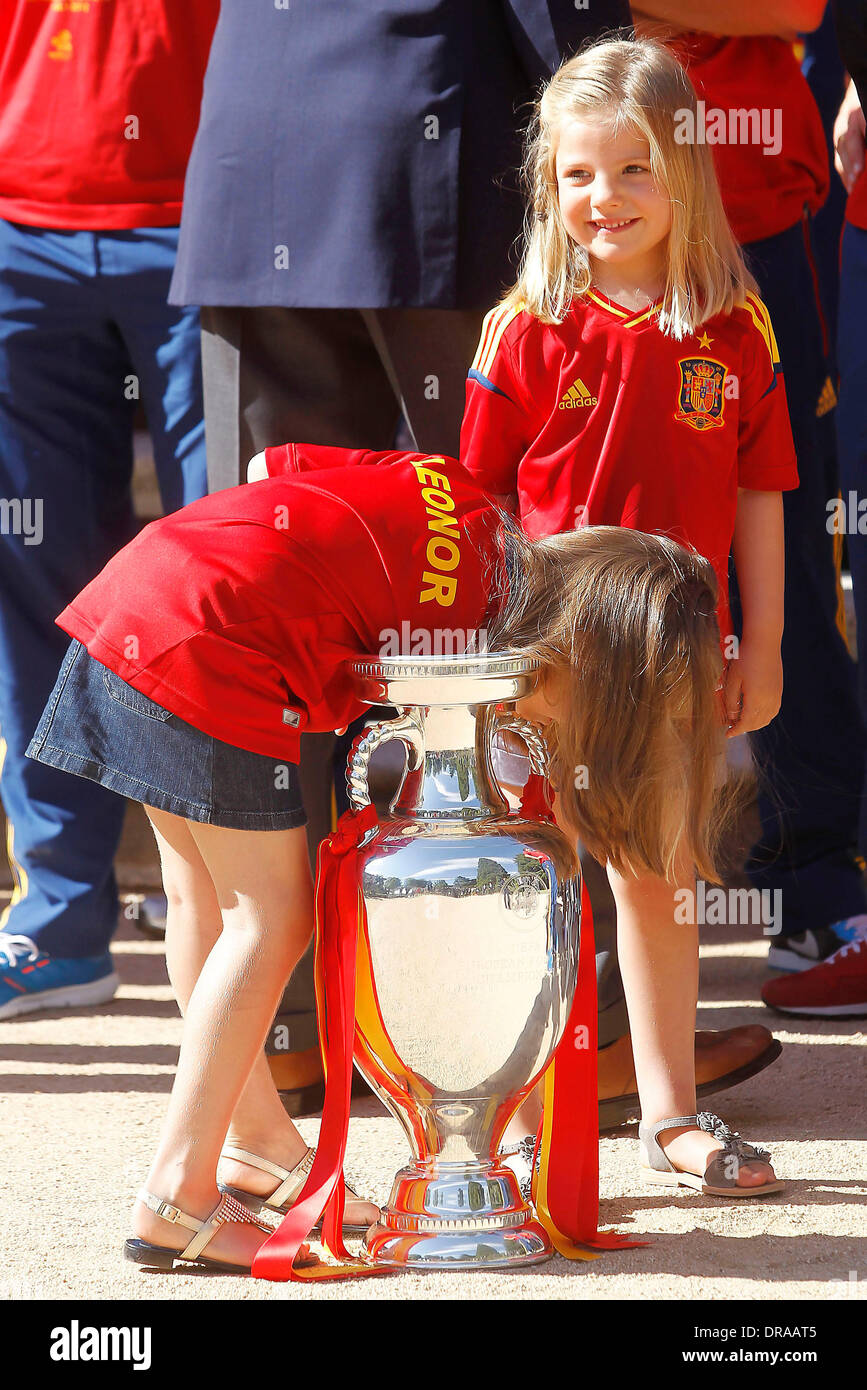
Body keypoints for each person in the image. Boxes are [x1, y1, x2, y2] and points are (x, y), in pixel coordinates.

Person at [26, 441, 778, 1272]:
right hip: (212, 642)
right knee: (271, 920)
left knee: (206, 902)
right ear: (593, 654)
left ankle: (257, 1147)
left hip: (143, 591)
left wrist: (297, 576)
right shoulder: (471, 629)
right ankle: (178, 1195)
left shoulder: (454, 494)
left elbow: (269, 471)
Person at [166, 0, 633, 1113]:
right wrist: (616, 123)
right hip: (427, 155)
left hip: (257, 163)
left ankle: (283, 1025)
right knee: (510, 597)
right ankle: (576, 1025)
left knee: (279, 606)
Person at [459, 36, 796, 1193]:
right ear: (548, 184)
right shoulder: (524, 328)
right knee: (535, 872)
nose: (604, 199)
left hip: (679, 652)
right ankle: (505, 1115)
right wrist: (492, 658)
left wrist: (766, 642)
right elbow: (481, 510)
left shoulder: (737, 326)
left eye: (635, 169)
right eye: (578, 175)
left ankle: (669, 1114)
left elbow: (762, 495)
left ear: (687, 171)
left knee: (662, 877)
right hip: (550, 652)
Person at [0, 0, 218, 1017]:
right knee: (36, 577)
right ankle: (60, 923)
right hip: (17, 227)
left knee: (225, 586)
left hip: (210, 219)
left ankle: (251, 925)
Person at [761, 0, 867, 1017]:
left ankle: (823, 889)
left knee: (799, 550)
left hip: (759, 215)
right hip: (580, 204)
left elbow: (788, 7)